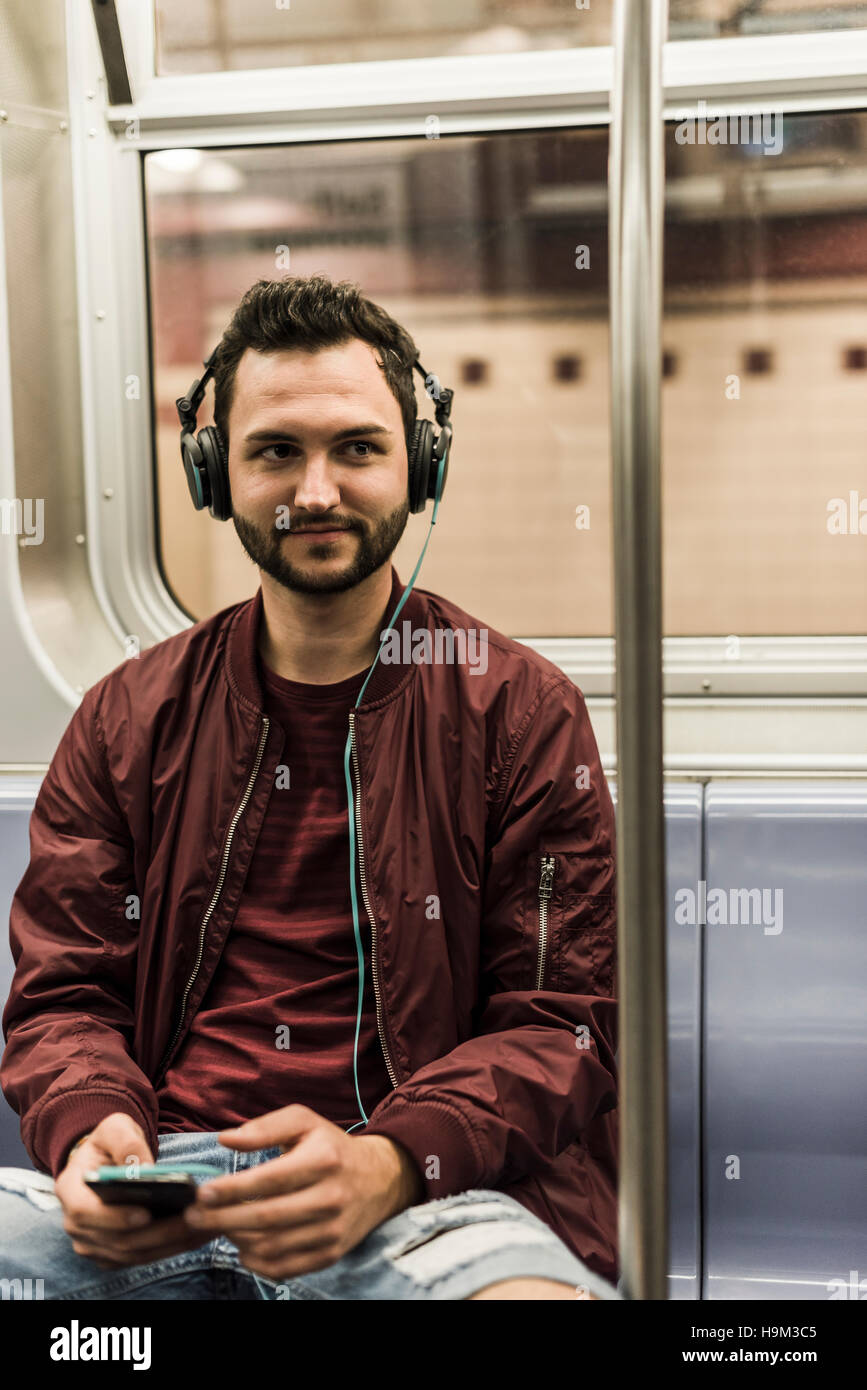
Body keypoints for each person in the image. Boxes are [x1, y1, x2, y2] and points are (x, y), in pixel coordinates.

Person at [0, 274, 620, 1301]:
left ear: (419, 466)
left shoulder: (520, 713)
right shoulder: (126, 717)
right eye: (277, 452)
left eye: (358, 449)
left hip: (422, 1190)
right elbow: (65, 996)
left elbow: (560, 1024)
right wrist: (91, 1121)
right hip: (165, 1180)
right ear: (215, 474)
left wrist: (389, 1159)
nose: (318, 491)